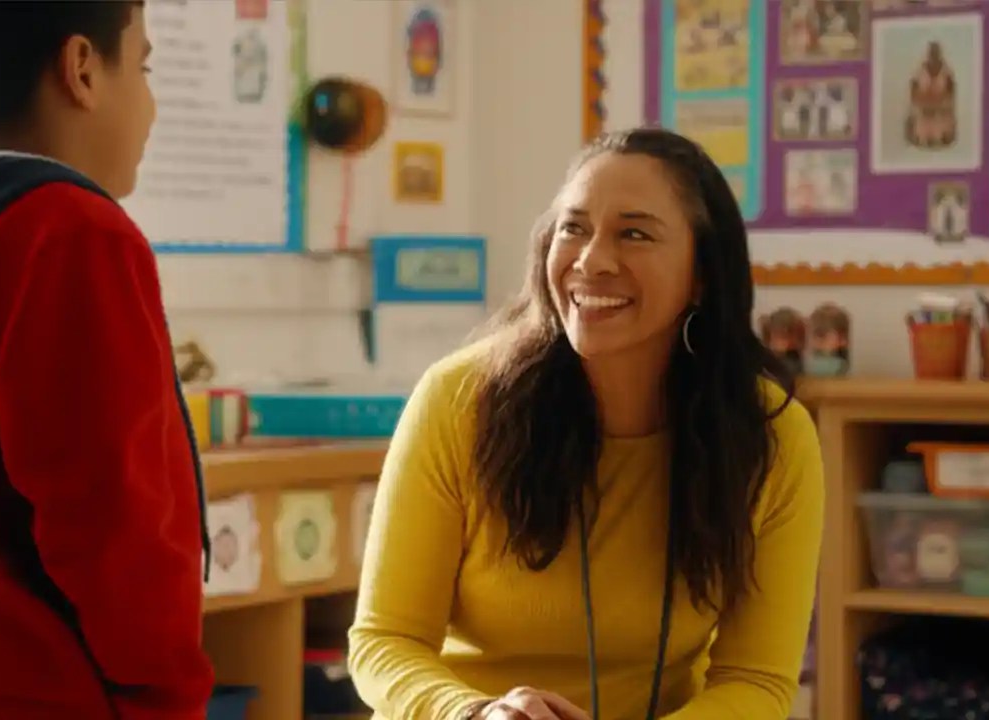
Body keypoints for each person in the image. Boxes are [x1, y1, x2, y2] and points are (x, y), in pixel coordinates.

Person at [349, 128, 824, 720]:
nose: (591, 259)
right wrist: (474, 714)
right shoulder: (459, 400)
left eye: (635, 233)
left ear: (702, 272)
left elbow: (757, 682)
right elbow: (384, 641)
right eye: (573, 229)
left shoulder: (771, 437)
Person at [0, 2, 213, 718]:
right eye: (144, 67)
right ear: (82, 69)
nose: (151, 107)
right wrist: (169, 693)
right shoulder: (76, 232)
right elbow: (110, 522)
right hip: (49, 693)